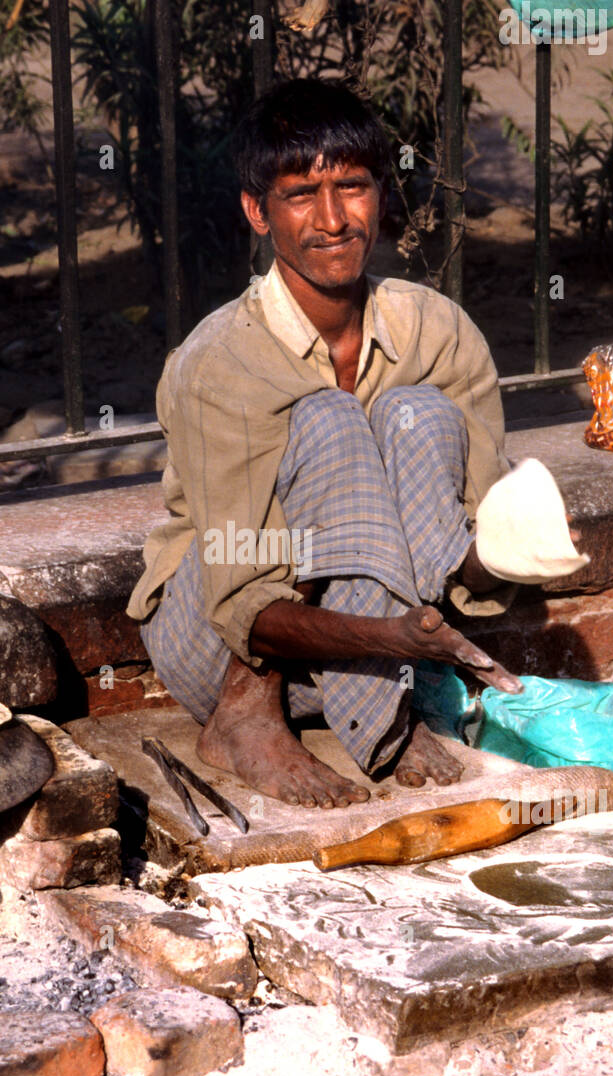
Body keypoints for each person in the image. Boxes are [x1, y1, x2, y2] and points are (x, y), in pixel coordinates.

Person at [127, 79, 587, 810]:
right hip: (220, 642)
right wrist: (393, 640)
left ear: (381, 197)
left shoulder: (435, 331)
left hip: (368, 648)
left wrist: (506, 547)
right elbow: (240, 598)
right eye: (302, 194)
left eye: (353, 186)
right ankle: (249, 722)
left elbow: (458, 554)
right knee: (331, 421)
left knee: (412, 412)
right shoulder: (224, 361)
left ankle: (376, 714)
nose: (335, 218)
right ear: (257, 212)